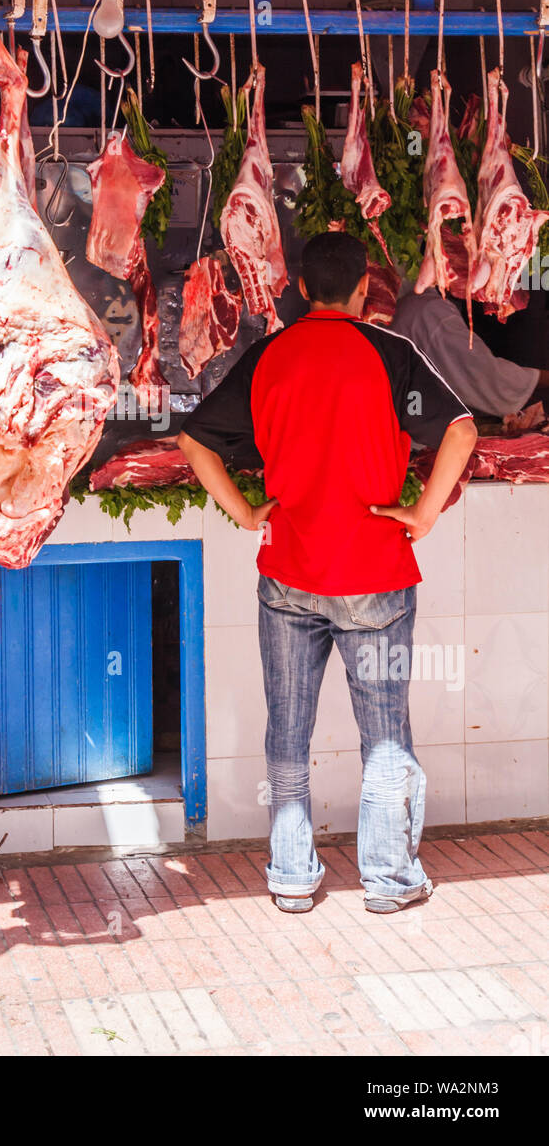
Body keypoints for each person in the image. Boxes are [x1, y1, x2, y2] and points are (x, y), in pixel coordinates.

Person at [177, 232, 477, 916]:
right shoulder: (392, 354)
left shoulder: (270, 355)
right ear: (366, 292)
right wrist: (424, 515)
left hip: (288, 574)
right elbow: (460, 429)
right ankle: (390, 879)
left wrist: (247, 512)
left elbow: (193, 439)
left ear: (303, 290)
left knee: (287, 731)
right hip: (376, 573)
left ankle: (289, 876)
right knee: (386, 733)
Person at [392, 281, 549, 421]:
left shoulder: (426, 305)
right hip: (422, 438)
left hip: (426, 426)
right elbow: (487, 377)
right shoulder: (427, 311)